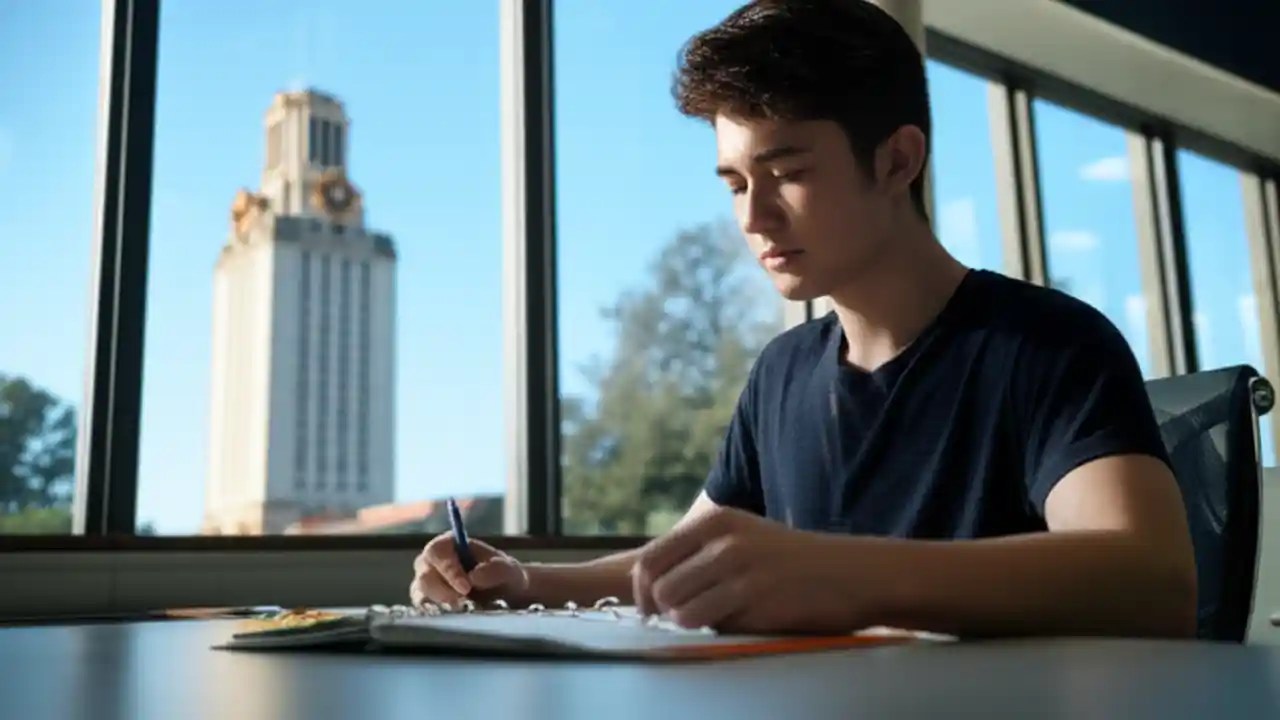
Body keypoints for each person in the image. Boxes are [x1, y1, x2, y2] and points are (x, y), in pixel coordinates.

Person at [410, 0, 1197, 639]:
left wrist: (847, 576)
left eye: (787, 172)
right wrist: (524, 584)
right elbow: (682, 561)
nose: (753, 216)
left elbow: (1152, 580)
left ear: (897, 161)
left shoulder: (1050, 345)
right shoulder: (783, 373)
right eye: (733, 183)